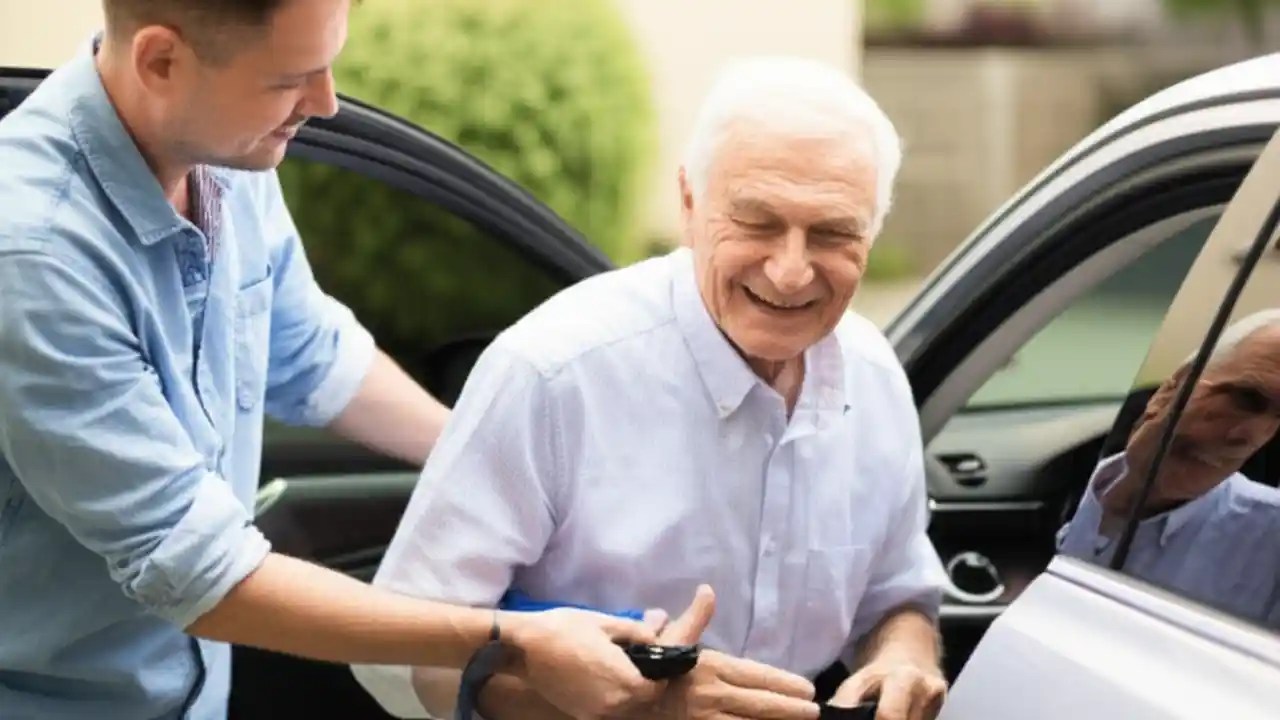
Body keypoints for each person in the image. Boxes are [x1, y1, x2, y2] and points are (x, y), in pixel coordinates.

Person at [0, 1, 684, 718]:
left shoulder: (226, 145)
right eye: (290, 79)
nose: (323, 104)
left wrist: (514, 473)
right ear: (161, 61)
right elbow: (201, 572)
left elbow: (311, 355)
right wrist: (510, 639)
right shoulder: (35, 255)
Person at [352, 55, 950, 720]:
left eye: (834, 233)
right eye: (756, 222)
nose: (789, 271)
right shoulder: (555, 372)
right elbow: (396, 653)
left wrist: (905, 657)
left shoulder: (872, 375)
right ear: (690, 200)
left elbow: (898, 596)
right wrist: (620, 711)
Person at [1058, 309, 1280, 626]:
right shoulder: (1056, 478)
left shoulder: (1269, 544)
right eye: (1246, 398)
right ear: (1170, 389)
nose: (1251, 437)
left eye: (1278, 420)